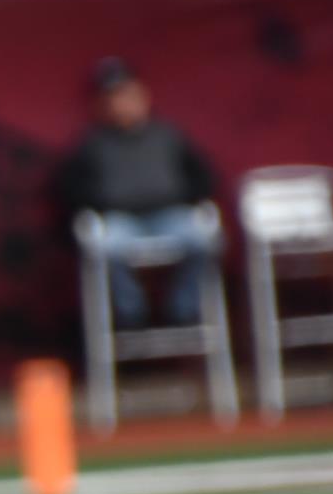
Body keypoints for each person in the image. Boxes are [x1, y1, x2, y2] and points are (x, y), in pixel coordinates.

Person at [61, 55, 218, 328]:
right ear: (102, 104)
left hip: (169, 215)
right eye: (114, 97)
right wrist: (105, 202)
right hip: (121, 221)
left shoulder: (168, 134)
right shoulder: (92, 143)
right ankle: (131, 313)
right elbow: (71, 189)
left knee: (205, 238)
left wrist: (179, 195)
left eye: (128, 95)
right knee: (103, 246)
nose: (123, 104)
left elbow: (204, 177)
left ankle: (183, 310)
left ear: (143, 96)